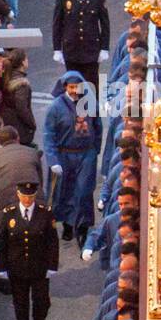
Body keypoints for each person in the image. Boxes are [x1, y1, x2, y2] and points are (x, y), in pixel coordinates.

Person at [0, 180, 58, 320]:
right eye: (24, 196)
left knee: (41, 303)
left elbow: (52, 242)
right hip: (17, 268)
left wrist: (52, 266)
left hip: (39, 268)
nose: (27, 200)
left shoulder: (45, 214)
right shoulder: (9, 214)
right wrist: (1, 267)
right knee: (20, 304)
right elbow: (2, 242)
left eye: (30, 197)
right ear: (18, 195)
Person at [43, 72, 102, 246]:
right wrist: (53, 160)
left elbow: (97, 127)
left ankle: (82, 226)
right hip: (64, 154)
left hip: (86, 153)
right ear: (65, 88)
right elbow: (49, 135)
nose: (75, 90)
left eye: (78, 87)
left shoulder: (90, 103)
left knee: (84, 190)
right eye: (71, 87)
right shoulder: (55, 107)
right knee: (65, 191)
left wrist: (95, 150)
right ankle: (68, 224)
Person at [51, 0, 110, 88]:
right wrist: (57, 49)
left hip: (91, 50)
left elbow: (105, 24)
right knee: (73, 85)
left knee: (91, 86)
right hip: (71, 50)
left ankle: (92, 107)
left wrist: (104, 48)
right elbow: (57, 25)